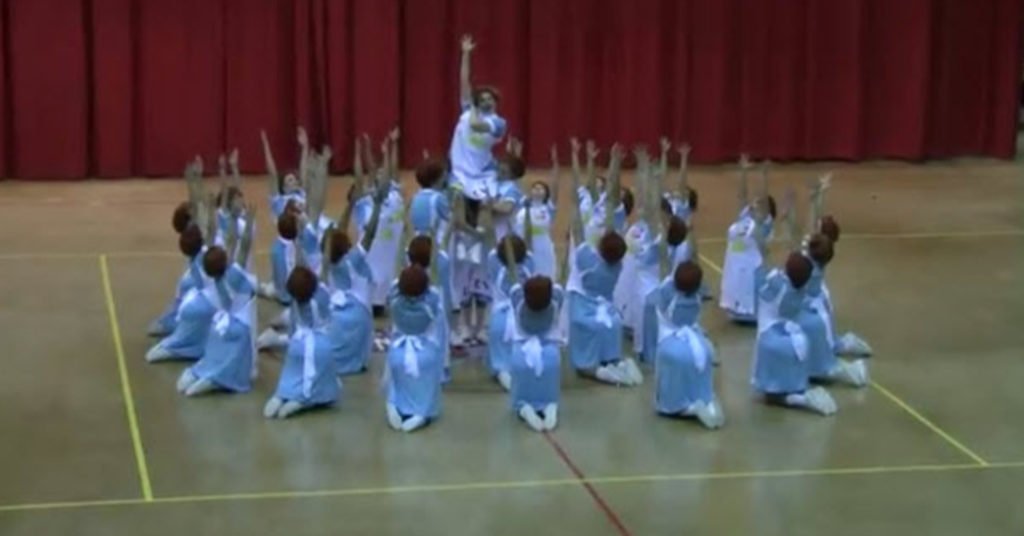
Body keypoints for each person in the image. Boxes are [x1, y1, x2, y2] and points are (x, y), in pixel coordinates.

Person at [566, 145, 642, 386]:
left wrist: (614, 164)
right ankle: (616, 363)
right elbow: (604, 202)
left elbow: (607, 202)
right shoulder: (616, 262)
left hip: (584, 280)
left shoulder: (586, 257)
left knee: (582, 342)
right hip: (601, 293)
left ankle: (608, 373)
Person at [176, 211, 260, 396]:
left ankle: (197, 376)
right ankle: (214, 380)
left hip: (218, 325)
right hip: (239, 323)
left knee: (212, 357)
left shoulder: (215, 278)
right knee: (232, 362)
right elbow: (243, 248)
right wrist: (248, 226)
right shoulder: (235, 276)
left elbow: (229, 248)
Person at [750, 251, 837, 416]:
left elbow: (760, 283)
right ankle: (797, 391)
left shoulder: (776, 282)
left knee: (772, 394)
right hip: (793, 337)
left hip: (771, 337)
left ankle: (795, 398)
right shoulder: (799, 292)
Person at [653, 261, 723, 428]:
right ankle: (703, 398)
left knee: (677, 359)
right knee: (704, 355)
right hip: (696, 339)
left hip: (670, 340)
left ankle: (679, 406)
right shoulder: (699, 294)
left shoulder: (665, 292)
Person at [264, 265, 340, 419]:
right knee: (320, 378)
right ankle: (303, 401)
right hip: (320, 346)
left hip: (298, 345)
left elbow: (291, 332)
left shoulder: (294, 304)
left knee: (291, 374)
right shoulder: (322, 297)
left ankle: (281, 396)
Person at [384, 264, 445, 433]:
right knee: (428, 384)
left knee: (396, 383)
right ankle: (420, 414)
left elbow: (396, 281)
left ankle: (393, 405)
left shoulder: (394, 301)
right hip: (424, 352)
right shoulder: (430, 303)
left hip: (398, 351)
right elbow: (433, 279)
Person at [720, 156, 775, 323]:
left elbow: (764, 199)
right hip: (733, 264)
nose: (754, 203)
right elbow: (741, 196)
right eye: (754, 202)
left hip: (751, 268)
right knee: (734, 293)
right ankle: (736, 311)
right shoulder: (744, 217)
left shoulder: (764, 223)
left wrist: (764, 176)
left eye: (759, 203)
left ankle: (752, 315)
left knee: (748, 295)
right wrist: (743, 171)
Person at [487, 233, 534, 390]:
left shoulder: (495, 265)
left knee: (500, 362)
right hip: (523, 316)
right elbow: (529, 246)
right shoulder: (529, 266)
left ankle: (506, 379)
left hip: (500, 319)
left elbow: (491, 242)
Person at [514, 145, 559, 279]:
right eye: (535, 188)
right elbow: (516, 182)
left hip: (543, 248)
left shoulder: (548, 208)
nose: (537, 190)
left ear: (546, 194)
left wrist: (555, 163)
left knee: (545, 278)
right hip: (523, 246)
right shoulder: (523, 205)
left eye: (541, 188)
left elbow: (555, 186)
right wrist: (517, 157)